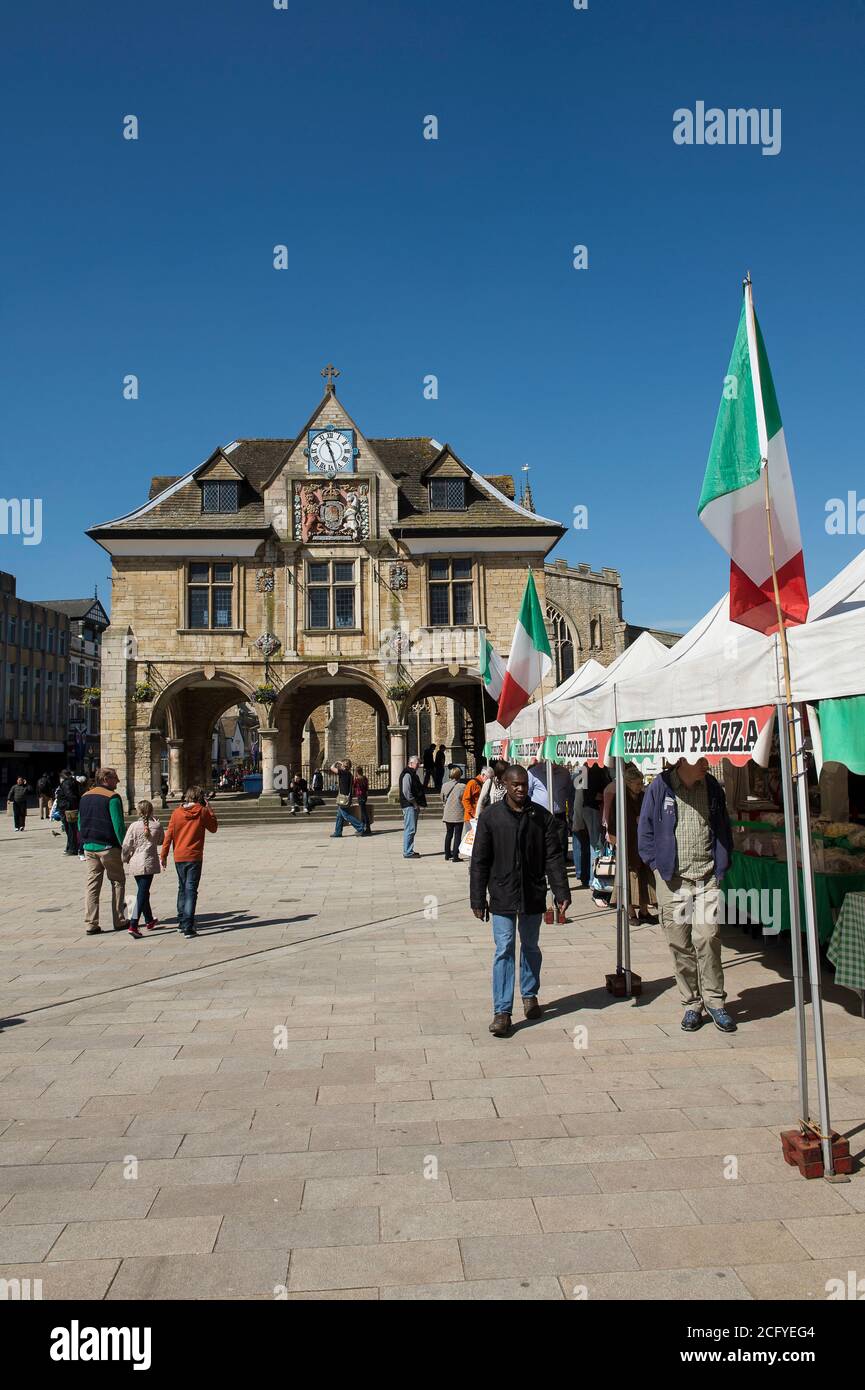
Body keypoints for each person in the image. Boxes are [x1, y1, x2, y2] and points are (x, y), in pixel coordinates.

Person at [470, 765, 570, 1037]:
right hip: (502, 892)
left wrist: (561, 890)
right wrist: (477, 897)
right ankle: (502, 1011)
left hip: (532, 892)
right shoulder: (491, 817)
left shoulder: (542, 817)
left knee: (530, 946)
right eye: (515, 784)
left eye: (524, 784)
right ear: (504, 784)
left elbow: (553, 857)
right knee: (504, 948)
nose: (521, 789)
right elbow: (479, 860)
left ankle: (529, 993)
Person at [638, 756, 736, 1034]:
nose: (707, 763)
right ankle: (692, 1004)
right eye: (701, 759)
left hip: (706, 878)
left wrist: (722, 862)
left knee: (707, 938)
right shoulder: (661, 786)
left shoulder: (713, 786)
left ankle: (716, 1001)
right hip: (673, 881)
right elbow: (644, 828)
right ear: (684, 760)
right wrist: (656, 864)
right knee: (680, 944)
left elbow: (723, 827)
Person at [160, 785, 218, 938]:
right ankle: (188, 925)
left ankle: (181, 921)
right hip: (194, 856)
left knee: (182, 888)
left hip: (179, 856)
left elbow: (169, 835)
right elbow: (213, 828)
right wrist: (210, 808)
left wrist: (163, 855)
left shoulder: (176, 813)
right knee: (191, 889)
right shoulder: (202, 812)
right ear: (200, 798)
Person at [78, 767, 130, 936]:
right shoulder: (112, 797)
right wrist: (125, 846)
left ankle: (91, 923)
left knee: (92, 885)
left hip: (89, 846)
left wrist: (84, 841)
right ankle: (119, 919)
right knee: (117, 881)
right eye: (115, 778)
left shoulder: (85, 796)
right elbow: (118, 826)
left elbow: (80, 822)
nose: (118, 781)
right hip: (108, 847)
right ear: (106, 779)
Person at [607, 763, 657, 924]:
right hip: (626, 843)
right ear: (628, 783)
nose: (640, 786)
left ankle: (644, 911)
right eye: (637, 784)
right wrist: (616, 843)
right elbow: (613, 822)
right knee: (628, 878)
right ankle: (631, 913)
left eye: (641, 783)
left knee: (644, 877)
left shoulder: (643, 797)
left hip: (642, 842)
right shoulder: (620, 798)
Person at [121, 800, 165, 937]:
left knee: (143, 891)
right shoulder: (157, 825)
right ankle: (133, 924)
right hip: (149, 862)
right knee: (142, 892)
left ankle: (149, 919)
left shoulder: (134, 826)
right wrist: (157, 825)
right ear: (151, 811)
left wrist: (125, 858)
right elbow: (161, 841)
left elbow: (126, 845)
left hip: (135, 862)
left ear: (139, 811)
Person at [527, 759, 572, 858]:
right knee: (541, 842)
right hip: (540, 815)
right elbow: (528, 793)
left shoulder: (564, 773)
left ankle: (560, 868)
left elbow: (568, 792)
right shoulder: (533, 773)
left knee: (561, 844)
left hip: (559, 815)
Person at [582, 762, 612, 877]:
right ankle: (595, 878)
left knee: (595, 844)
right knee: (596, 845)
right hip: (593, 808)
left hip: (590, 808)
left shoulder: (591, 769)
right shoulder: (597, 770)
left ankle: (593, 877)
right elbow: (594, 795)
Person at [329, 759, 366, 838]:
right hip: (347, 797)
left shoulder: (343, 772)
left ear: (344, 766)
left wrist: (337, 762)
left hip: (343, 798)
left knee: (346, 815)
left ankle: (360, 827)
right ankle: (338, 832)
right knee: (339, 815)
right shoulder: (349, 774)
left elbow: (332, 767)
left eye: (342, 765)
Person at [400, 754, 426, 858]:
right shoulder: (407, 774)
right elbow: (406, 792)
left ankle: (409, 850)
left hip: (411, 805)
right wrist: (415, 803)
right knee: (410, 829)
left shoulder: (412, 774)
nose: (419, 765)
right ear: (411, 763)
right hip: (409, 805)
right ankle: (408, 852)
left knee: (411, 829)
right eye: (417, 763)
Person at [570, 768, 591, 890]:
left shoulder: (578, 775)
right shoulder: (582, 775)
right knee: (584, 847)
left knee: (581, 846)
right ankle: (584, 875)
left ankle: (582, 874)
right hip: (583, 814)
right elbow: (578, 799)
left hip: (579, 814)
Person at [441, 764, 466, 861]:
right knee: (457, 835)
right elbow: (464, 799)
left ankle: (447, 854)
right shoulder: (462, 786)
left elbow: (442, 797)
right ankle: (455, 855)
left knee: (449, 834)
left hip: (447, 813)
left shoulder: (444, 785)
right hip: (458, 813)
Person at [55, 769, 82, 856]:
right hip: (70, 808)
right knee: (72, 829)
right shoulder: (74, 782)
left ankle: (72, 848)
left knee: (70, 829)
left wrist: (69, 807)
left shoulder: (66, 783)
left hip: (67, 809)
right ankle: (70, 847)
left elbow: (70, 796)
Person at [353, 766, 372, 835]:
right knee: (364, 812)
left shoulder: (357, 779)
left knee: (363, 813)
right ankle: (365, 827)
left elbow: (354, 786)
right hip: (364, 796)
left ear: (357, 772)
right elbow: (367, 788)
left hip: (360, 796)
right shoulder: (365, 778)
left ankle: (366, 828)